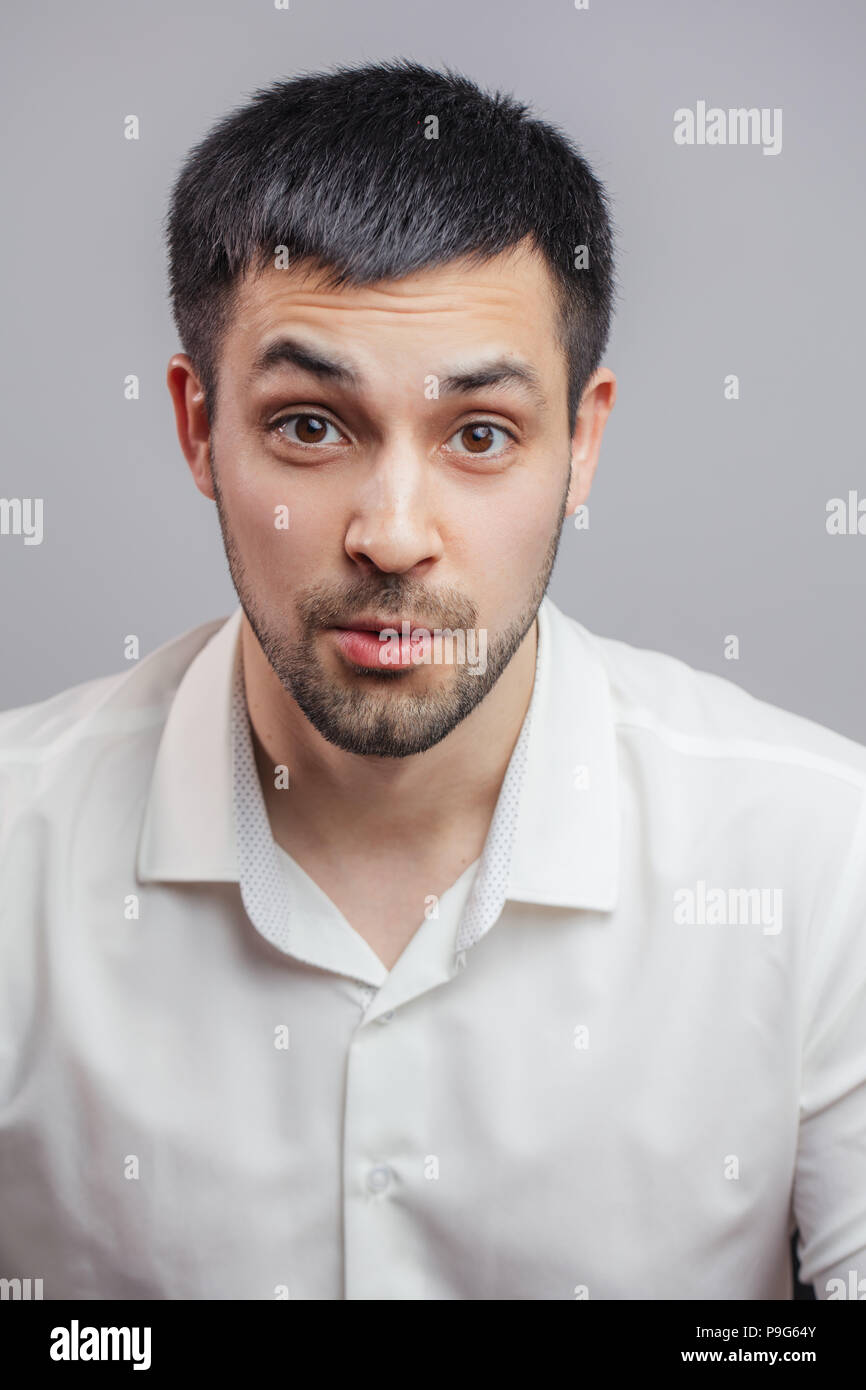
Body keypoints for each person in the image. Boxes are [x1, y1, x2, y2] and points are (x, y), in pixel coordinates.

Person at [1, 58, 864, 1302]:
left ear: (583, 444)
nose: (392, 534)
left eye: (478, 435)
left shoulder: (819, 860)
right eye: (309, 424)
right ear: (198, 428)